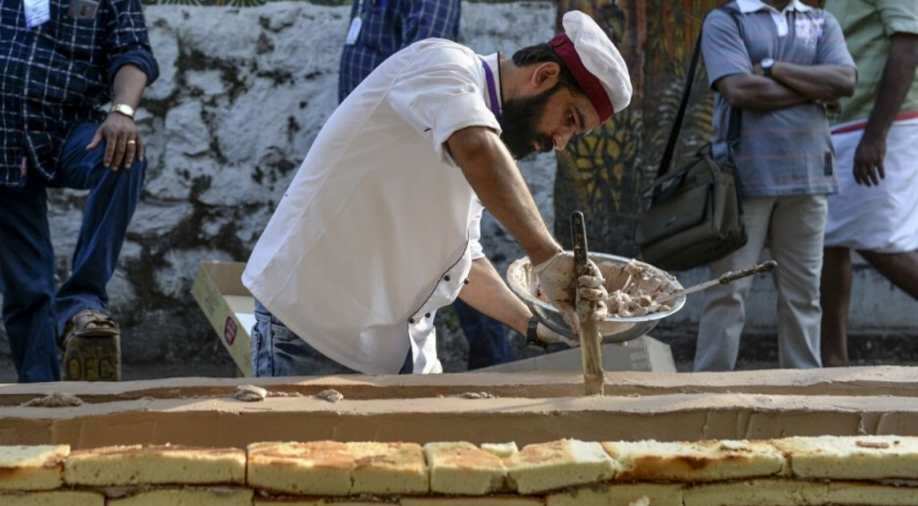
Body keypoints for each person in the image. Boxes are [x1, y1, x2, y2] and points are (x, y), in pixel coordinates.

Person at [243, 11, 631, 376]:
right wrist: (548, 257)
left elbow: (462, 263)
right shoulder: (443, 65)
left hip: (400, 358)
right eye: (570, 119)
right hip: (312, 337)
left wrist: (534, 325)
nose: (561, 142)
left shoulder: (482, 134)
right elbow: (476, 148)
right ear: (544, 76)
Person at [338, 0, 514, 370]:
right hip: (372, 150)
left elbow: (421, 65)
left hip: (408, 151)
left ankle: (496, 366)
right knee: (431, 261)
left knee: (452, 253)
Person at [0, 0, 159, 382]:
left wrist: (122, 110)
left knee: (124, 155)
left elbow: (133, 51)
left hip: (67, 131)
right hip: (3, 143)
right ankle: (43, 396)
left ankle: (82, 299)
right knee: (27, 289)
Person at [694, 0, 856, 371]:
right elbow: (740, 91)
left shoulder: (820, 21)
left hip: (810, 177)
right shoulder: (727, 19)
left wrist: (772, 68)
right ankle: (708, 388)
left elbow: (845, 81)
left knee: (804, 296)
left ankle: (804, 392)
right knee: (729, 291)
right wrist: (814, 88)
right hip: (743, 181)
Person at [821, 1, 918, 367]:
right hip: (843, 122)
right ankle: (833, 362)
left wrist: (876, 135)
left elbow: (909, 46)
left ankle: (833, 358)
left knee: (881, 243)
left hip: (880, 124)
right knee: (829, 239)